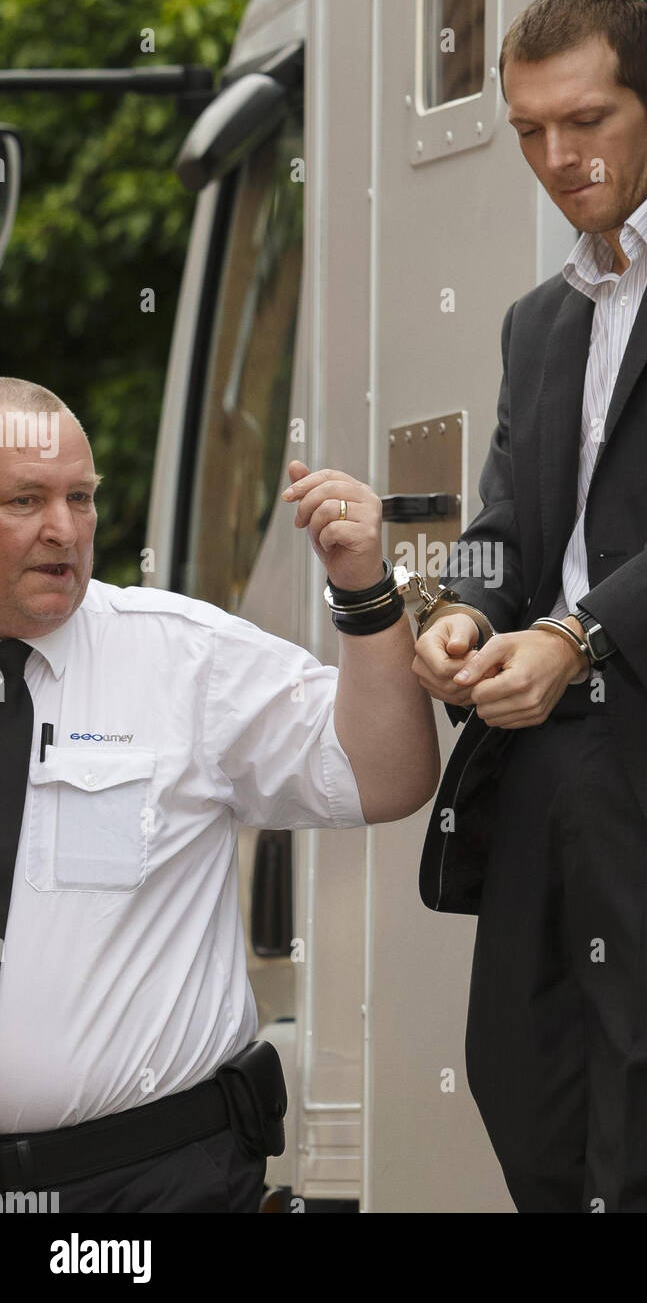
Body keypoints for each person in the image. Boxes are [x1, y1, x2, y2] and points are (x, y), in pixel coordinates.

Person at [414, 0, 647, 1213]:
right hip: (534, 769)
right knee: (523, 1097)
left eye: (584, 121)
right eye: (527, 130)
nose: (555, 157)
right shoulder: (538, 320)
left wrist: (578, 633)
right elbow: (509, 527)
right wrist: (460, 614)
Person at [0, 376, 439, 1212]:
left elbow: (383, 776)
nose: (64, 529)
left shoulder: (179, 658)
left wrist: (365, 592)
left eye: (81, 497)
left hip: (153, 1180)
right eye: (26, 500)